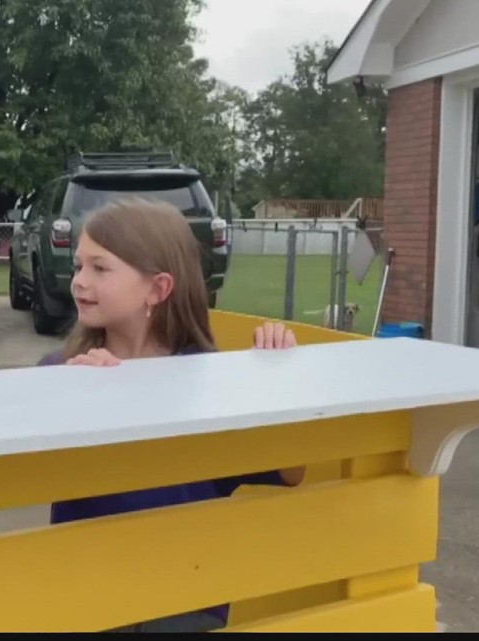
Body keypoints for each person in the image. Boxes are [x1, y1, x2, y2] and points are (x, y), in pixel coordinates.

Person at [36, 197, 304, 632]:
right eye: (78, 266)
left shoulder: (213, 379)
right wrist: (78, 400)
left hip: (188, 601)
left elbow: (290, 472)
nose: (79, 282)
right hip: (91, 598)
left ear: (158, 289)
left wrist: (277, 379)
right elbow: (26, 470)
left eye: (100, 268)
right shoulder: (60, 371)